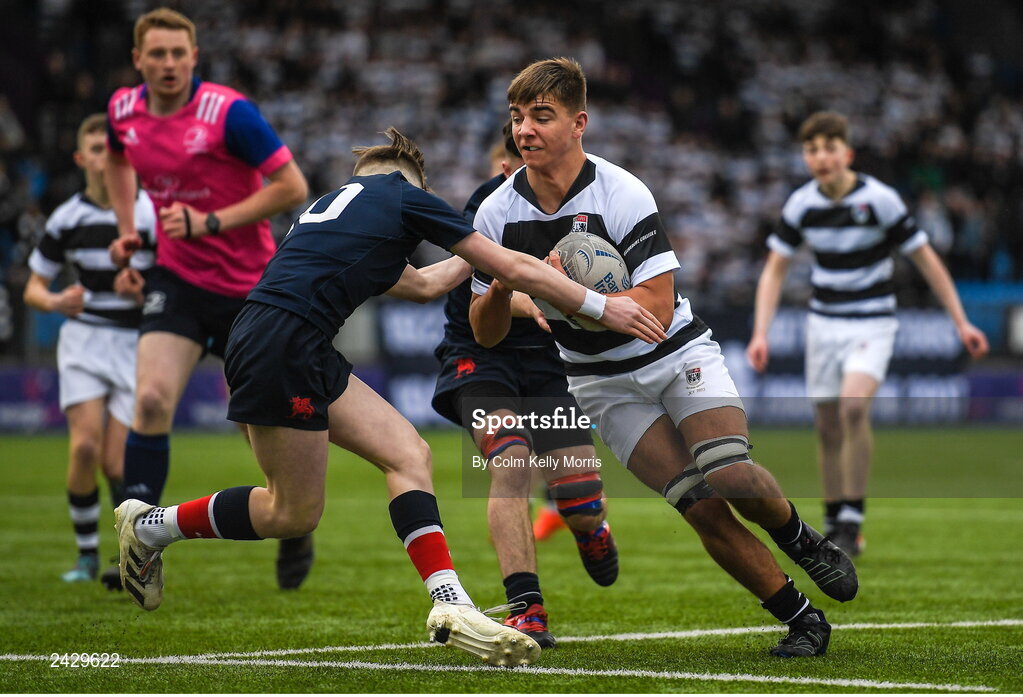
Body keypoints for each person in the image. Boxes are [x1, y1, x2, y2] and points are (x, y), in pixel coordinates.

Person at [112, 127, 664, 666]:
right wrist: (596, 303)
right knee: (292, 511)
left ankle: (451, 603)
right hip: (286, 343)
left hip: (275, 338)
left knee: (401, 456)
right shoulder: (403, 197)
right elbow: (506, 267)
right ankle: (150, 527)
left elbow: (424, 284)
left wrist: (499, 252)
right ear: (415, 186)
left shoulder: (333, 209)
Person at [471, 58, 858, 658]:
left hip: (674, 354)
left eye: (541, 117)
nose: (525, 130)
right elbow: (486, 332)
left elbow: (654, 303)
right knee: (698, 505)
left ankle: (801, 538)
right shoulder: (495, 214)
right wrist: (503, 284)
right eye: (518, 117)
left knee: (727, 470)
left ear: (579, 124)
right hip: (600, 382)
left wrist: (564, 295)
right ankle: (802, 619)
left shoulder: (621, 191)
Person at [103, 8, 313, 589]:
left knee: (255, 429)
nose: (168, 64)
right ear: (138, 60)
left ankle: (295, 523)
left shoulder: (229, 113)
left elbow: (292, 187)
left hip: (249, 287)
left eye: (178, 54)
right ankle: (136, 543)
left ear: (194, 58)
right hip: (178, 283)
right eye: (157, 54)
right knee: (149, 400)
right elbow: (117, 159)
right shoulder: (122, 110)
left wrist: (209, 221)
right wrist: (129, 228)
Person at [746, 111, 989, 556]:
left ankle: (853, 518)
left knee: (853, 409)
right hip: (823, 322)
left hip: (873, 320)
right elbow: (774, 271)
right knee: (825, 427)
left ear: (847, 154)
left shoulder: (880, 200)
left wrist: (961, 321)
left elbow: (926, 260)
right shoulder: (801, 205)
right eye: (812, 149)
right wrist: (760, 332)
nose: (820, 157)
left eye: (828, 148)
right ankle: (835, 516)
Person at [432, 122, 616, 648]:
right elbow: (488, 291)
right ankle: (526, 609)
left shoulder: (584, 209)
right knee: (511, 458)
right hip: (480, 355)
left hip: (548, 362)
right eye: (505, 167)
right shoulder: (485, 208)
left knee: (580, 500)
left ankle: (592, 528)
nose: (512, 175)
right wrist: (530, 296)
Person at [23, 113, 155, 585]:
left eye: (113, 150)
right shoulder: (67, 218)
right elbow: (33, 288)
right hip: (84, 339)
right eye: (96, 150)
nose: (106, 159)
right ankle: (85, 556)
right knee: (83, 447)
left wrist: (144, 289)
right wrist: (57, 299)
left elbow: (171, 280)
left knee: (116, 462)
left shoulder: (149, 214)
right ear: (81, 158)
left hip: (136, 343)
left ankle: (126, 557)